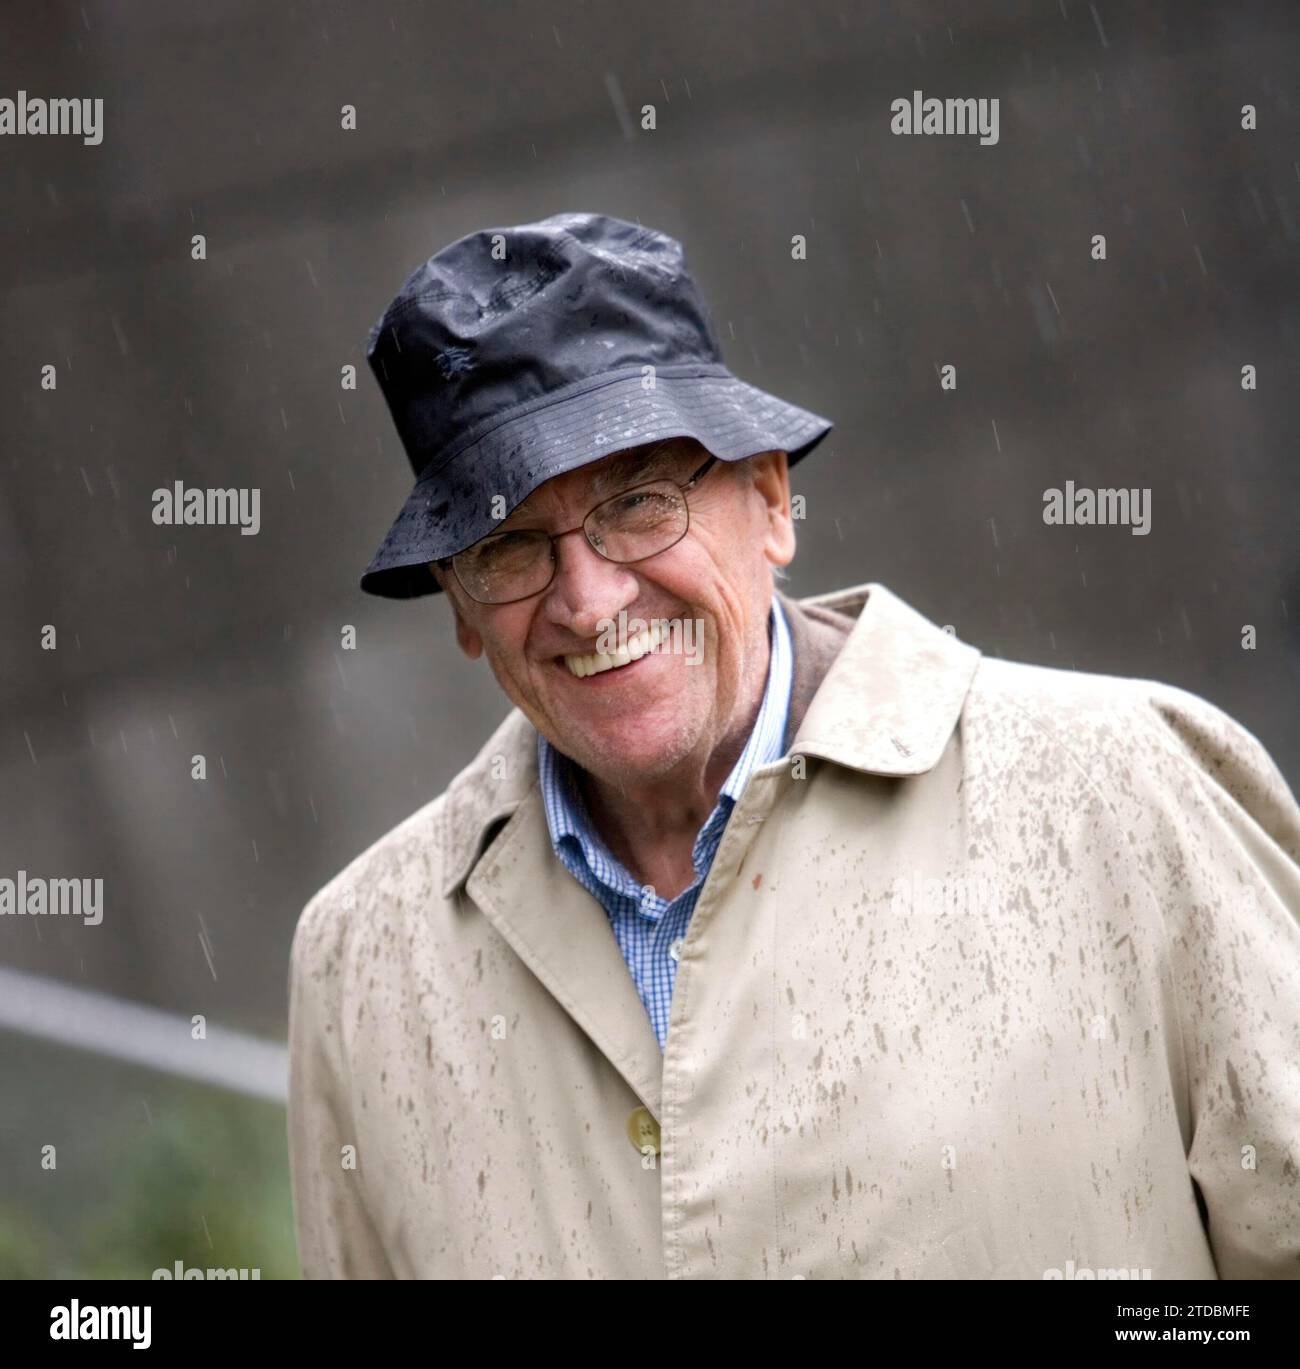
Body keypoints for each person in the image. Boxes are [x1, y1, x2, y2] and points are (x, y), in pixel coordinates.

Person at [287, 212, 1300, 1279]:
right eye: (507, 545)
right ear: (458, 603)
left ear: (770, 497)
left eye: (636, 502)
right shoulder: (360, 962)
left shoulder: (1118, 789)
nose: (587, 602)